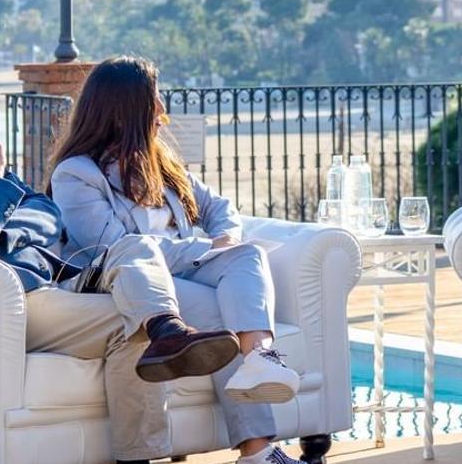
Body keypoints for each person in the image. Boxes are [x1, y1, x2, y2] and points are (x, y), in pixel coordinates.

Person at [0, 44, 240, 464]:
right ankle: (141, 449)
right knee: (129, 323)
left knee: (135, 249)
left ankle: (167, 328)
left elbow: (46, 211)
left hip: (48, 280)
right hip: (5, 303)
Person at [49, 56, 303, 464]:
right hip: (132, 285)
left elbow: (219, 207)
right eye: (154, 100)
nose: (163, 111)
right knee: (218, 310)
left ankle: (260, 359)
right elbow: (115, 249)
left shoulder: (160, 163)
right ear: (124, 109)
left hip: (185, 270)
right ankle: (258, 453)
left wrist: (225, 238)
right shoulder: (77, 175)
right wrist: (204, 250)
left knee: (247, 253)